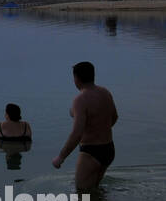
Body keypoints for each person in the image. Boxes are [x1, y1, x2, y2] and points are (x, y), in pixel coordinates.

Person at [49, 61, 118, 191]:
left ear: (76, 78)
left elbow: (77, 133)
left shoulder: (80, 99)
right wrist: (100, 131)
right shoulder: (105, 92)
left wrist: (61, 157)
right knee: (95, 190)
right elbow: (114, 117)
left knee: (82, 194)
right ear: (93, 76)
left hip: (91, 152)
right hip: (109, 149)